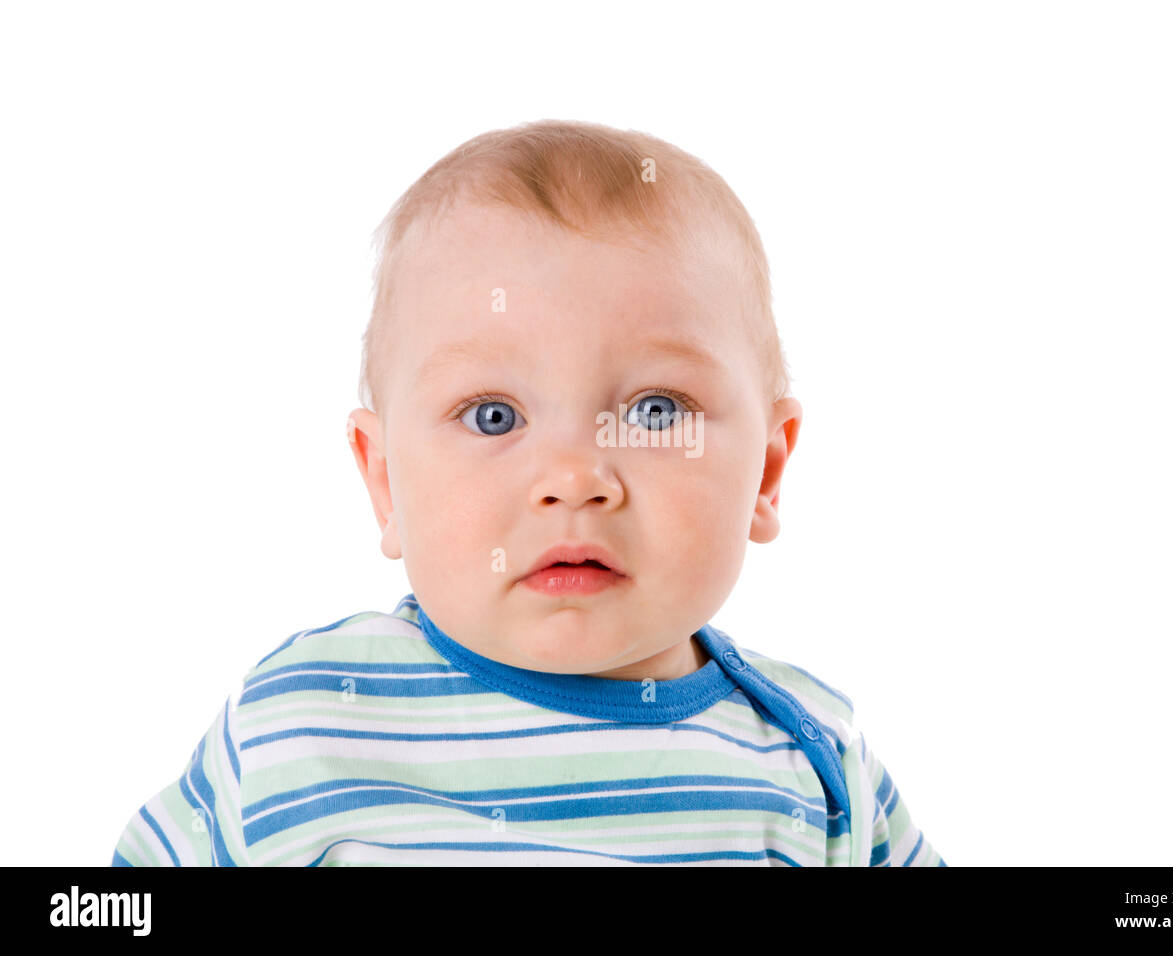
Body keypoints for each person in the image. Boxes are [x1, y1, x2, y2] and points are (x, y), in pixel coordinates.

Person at [111, 119, 945, 866]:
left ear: (765, 472)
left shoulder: (812, 757)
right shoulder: (302, 724)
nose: (576, 478)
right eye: (493, 415)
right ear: (385, 480)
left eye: (655, 411)